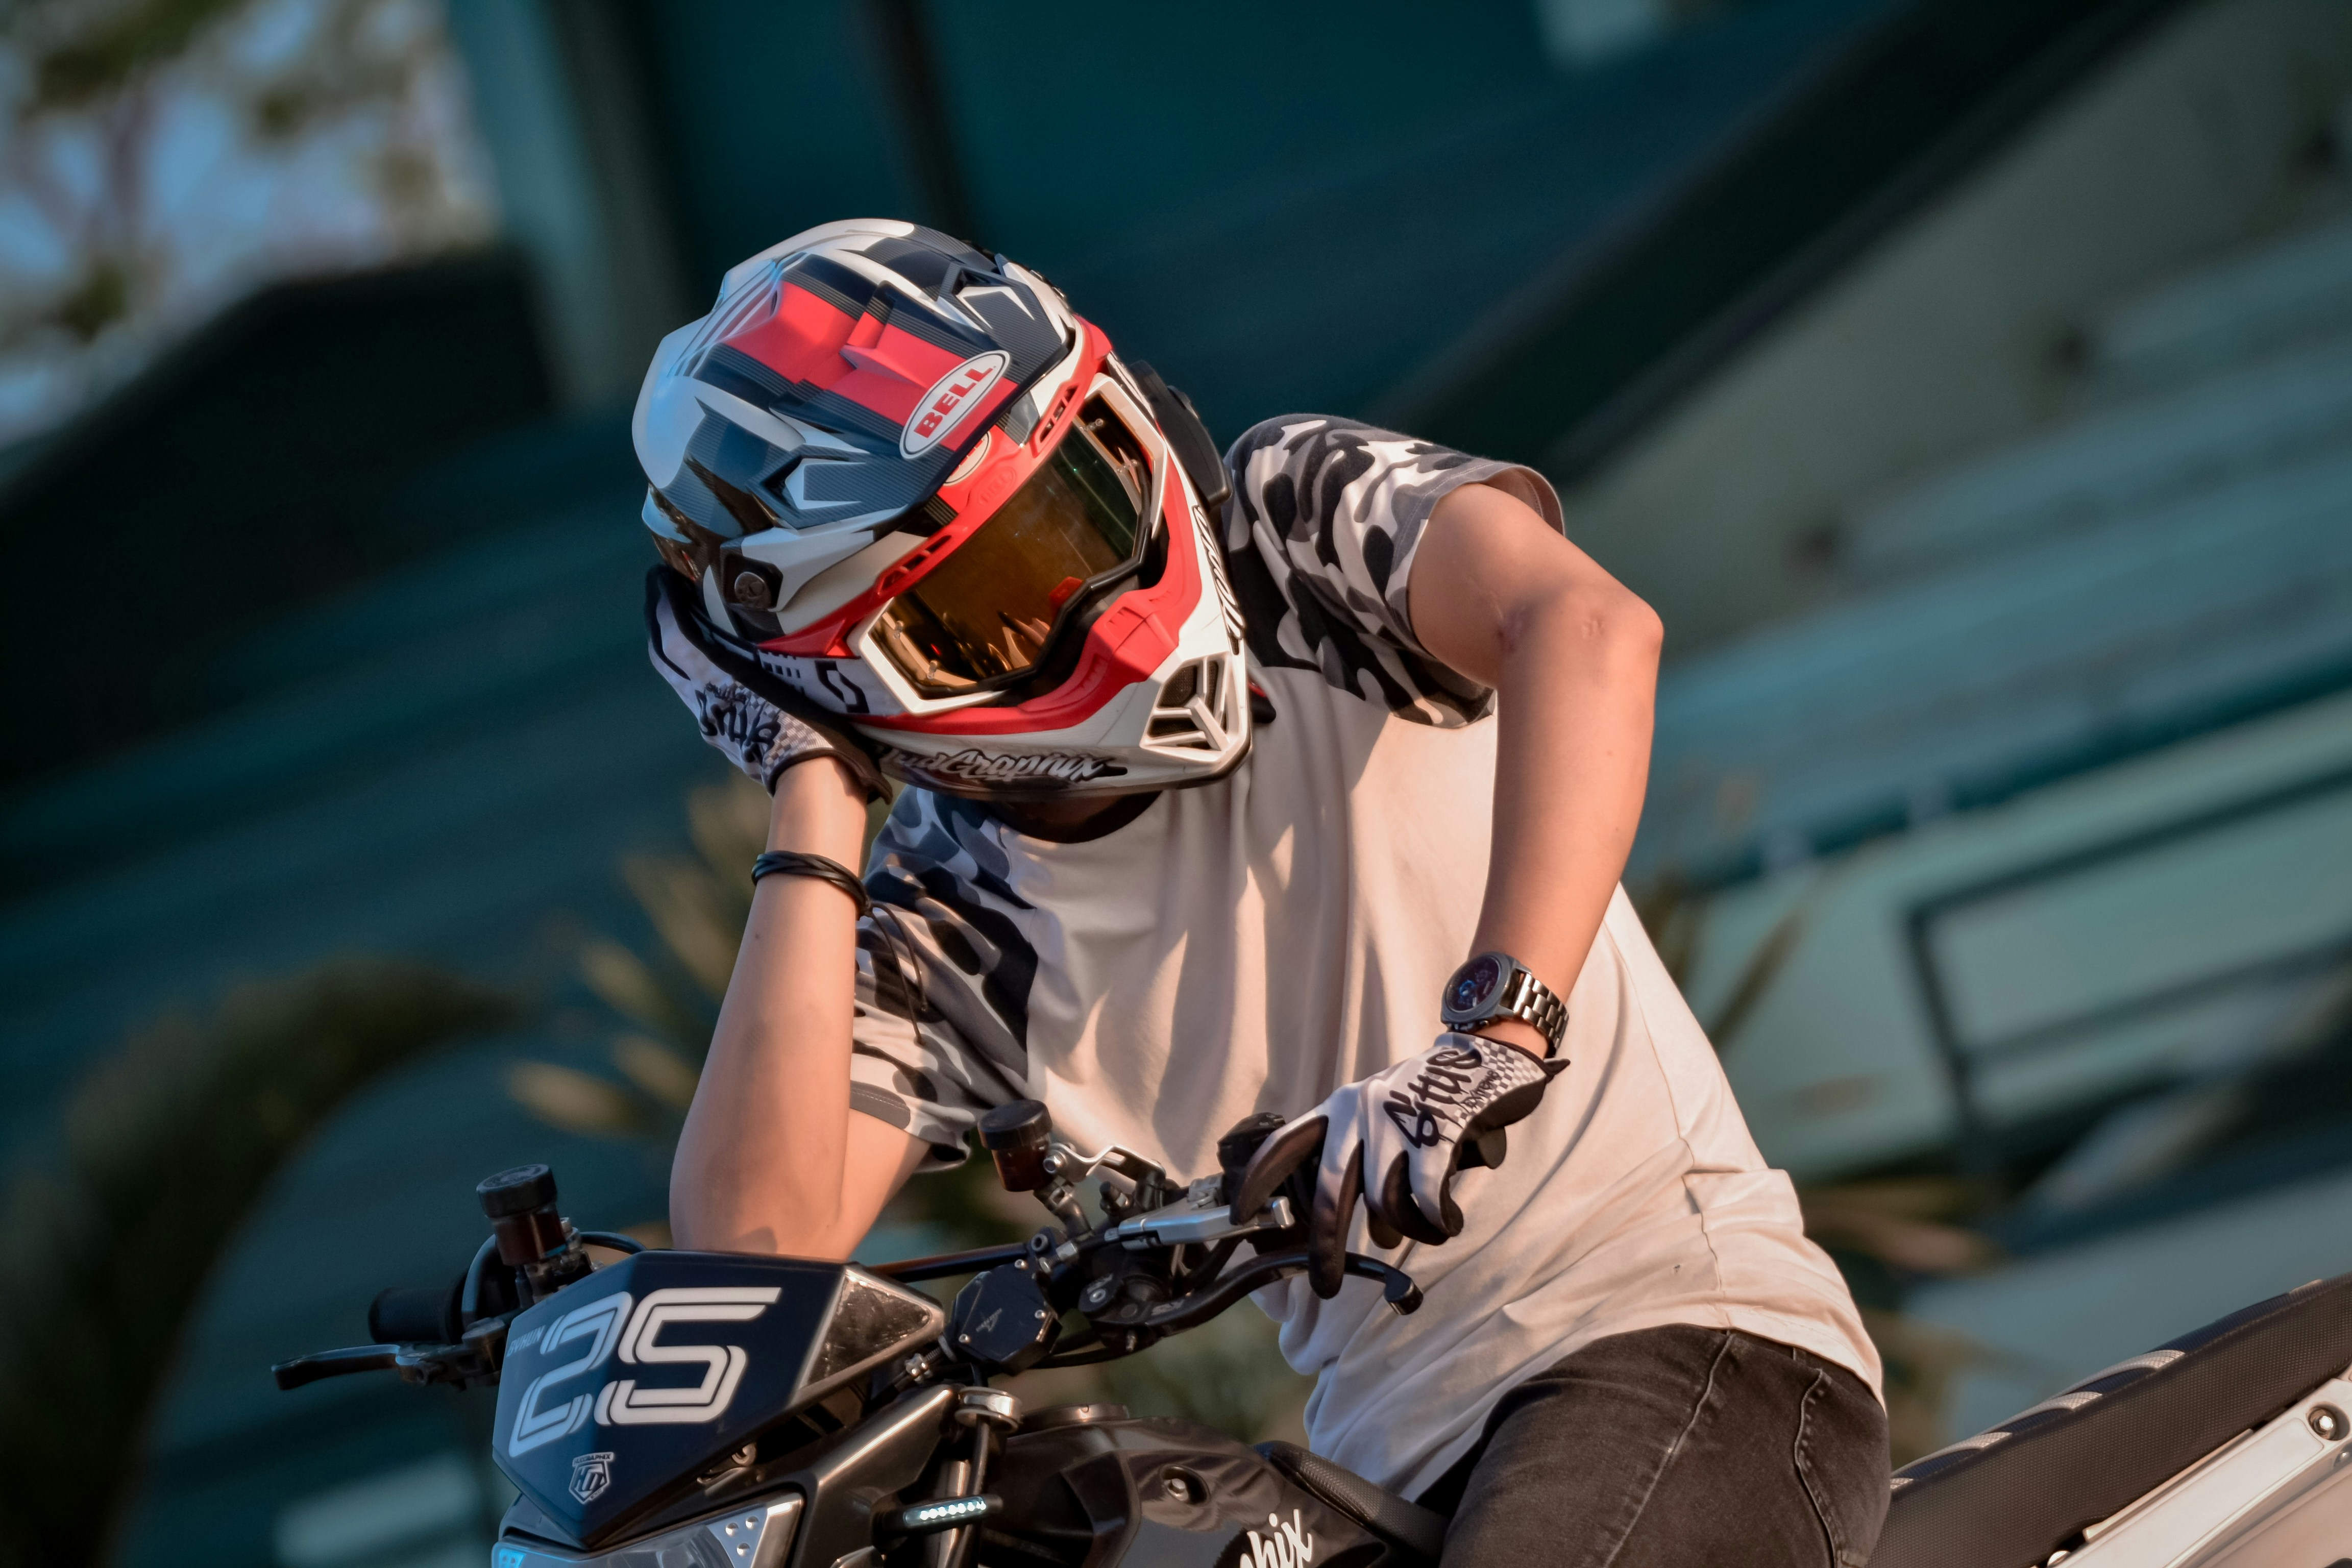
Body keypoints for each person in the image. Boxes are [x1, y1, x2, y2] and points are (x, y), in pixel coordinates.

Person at [636, 219, 1889, 1568]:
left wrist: (1493, 1037)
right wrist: (815, 778)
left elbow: (1586, 624)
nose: (1101, 611)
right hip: (1387, 1460)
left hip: (1677, 1330)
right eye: (996, 599)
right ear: (846, 669)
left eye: (1081, 507)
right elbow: (751, 1265)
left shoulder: (1293, 534)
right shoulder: (955, 920)